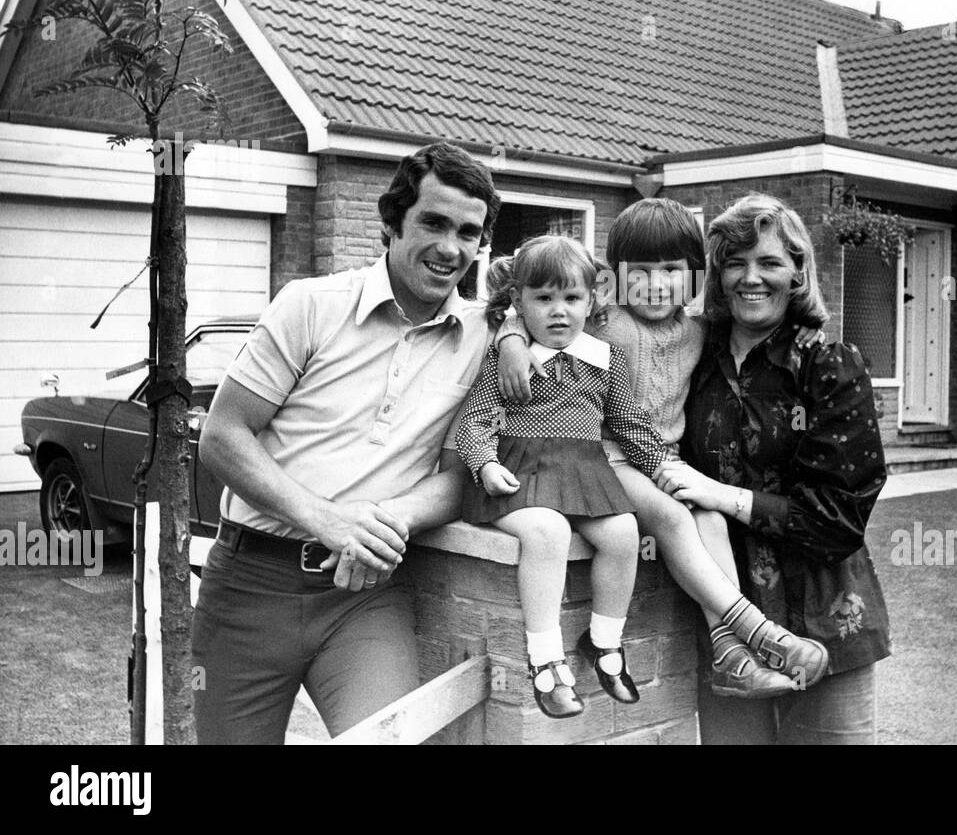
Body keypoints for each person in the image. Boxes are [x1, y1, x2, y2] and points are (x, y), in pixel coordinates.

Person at [194, 141, 500, 744]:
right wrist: (329, 521)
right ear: (390, 222)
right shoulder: (309, 305)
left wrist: (387, 521)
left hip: (367, 595)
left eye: (469, 233)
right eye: (433, 223)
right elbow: (223, 437)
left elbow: (464, 472)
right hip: (250, 584)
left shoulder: (486, 337)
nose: (450, 248)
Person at [495, 198, 833, 698]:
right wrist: (510, 339)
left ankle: (728, 654)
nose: (655, 283)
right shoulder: (603, 322)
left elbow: (763, 316)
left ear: (697, 278)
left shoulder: (700, 332)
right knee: (675, 518)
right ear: (612, 279)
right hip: (602, 458)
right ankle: (760, 632)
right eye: (641, 271)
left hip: (663, 467)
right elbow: (537, 300)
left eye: (673, 271)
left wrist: (808, 323)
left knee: (711, 518)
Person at [655, 193, 890, 744]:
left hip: (826, 620)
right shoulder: (691, 354)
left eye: (769, 262)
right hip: (727, 629)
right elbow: (574, 316)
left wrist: (719, 494)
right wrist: (518, 336)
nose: (750, 278)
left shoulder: (829, 364)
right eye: (734, 263)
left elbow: (837, 520)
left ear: (798, 270)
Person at [453, 235, 661, 718]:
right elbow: (477, 421)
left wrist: (665, 470)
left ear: (591, 300)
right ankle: (544, 658)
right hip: (519, 473)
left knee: (624, 531)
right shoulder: (509, 357)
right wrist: (485, 464)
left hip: (584, 472)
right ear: (519, 303)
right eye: (543, 298)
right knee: (547, 532)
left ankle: (605, 644)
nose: (559, 311)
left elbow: (630, 425)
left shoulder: (604, 360)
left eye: (571, 298)